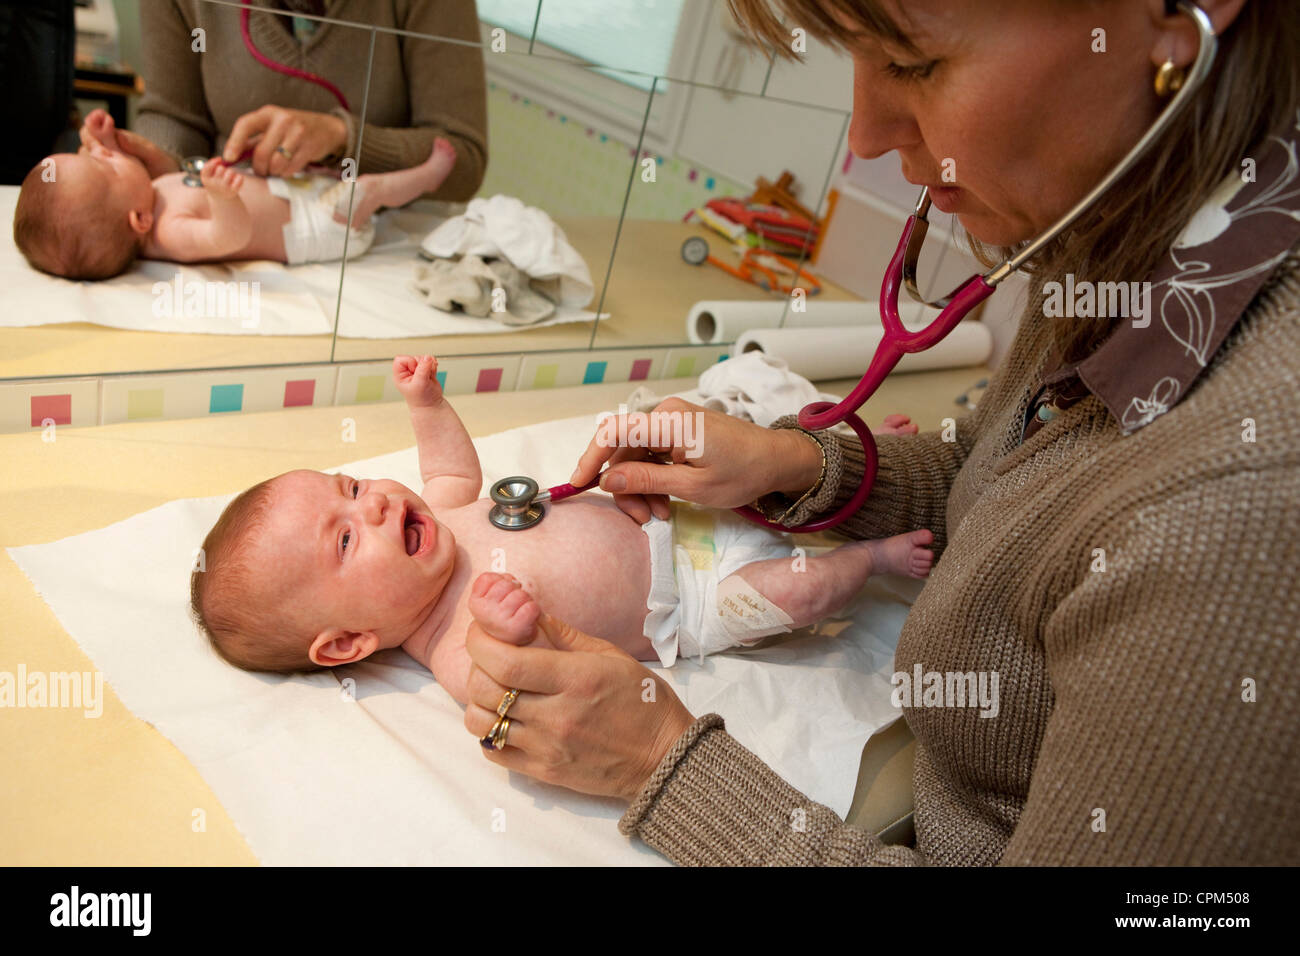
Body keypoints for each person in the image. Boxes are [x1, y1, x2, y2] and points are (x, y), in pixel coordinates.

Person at [458, 0, 1300, 865]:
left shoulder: (1247, 501)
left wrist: (656, 767)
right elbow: (1009, 488)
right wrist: (790, 461)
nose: (862, 135)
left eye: (915, 65)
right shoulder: (1140, 242)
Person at [188, 354, 931, 704]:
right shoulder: (454, 643)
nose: (375, 503)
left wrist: (424, 403)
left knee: (737, 459)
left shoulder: (441, 512)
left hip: (674, 512)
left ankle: (866, 461)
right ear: (347, 643)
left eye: (351, 487)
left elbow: (446, 464)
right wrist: (512, 635)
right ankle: (873, 557)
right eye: (345, 539)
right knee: (800, 595)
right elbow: (510, 692)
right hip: (694, 600)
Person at [100, 0, 486, 199]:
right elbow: (175, 114)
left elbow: (463, 161)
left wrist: (341, 140)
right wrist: (151, 158)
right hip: (239, 238)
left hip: (389, 251)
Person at [15, 110, 458, 279]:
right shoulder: (168, 234)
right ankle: (427, 177)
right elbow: (225, 239)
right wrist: (223, 200)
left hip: (300, 193)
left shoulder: (145, 199)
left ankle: (415, 179)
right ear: (138, 221)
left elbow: (157, 177)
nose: (103, 156)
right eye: (104, 165)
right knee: (368, 190)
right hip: (318, 230)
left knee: (339, 179)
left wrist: (110, 142)